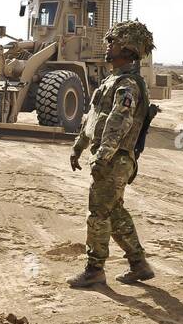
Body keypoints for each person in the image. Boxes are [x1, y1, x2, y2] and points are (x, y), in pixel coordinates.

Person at [67, 20, 157, 288]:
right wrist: (79, 146)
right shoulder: (112, 81)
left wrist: (102, 155)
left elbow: (119, 121)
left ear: (128, 49)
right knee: (115, 213)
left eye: (113, 42)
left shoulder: (127, 84)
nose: (107, 46)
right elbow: (95, 119)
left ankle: (94, 269)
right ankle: (138, 264)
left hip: (115, 160)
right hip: (110, 158)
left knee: (98, 213)